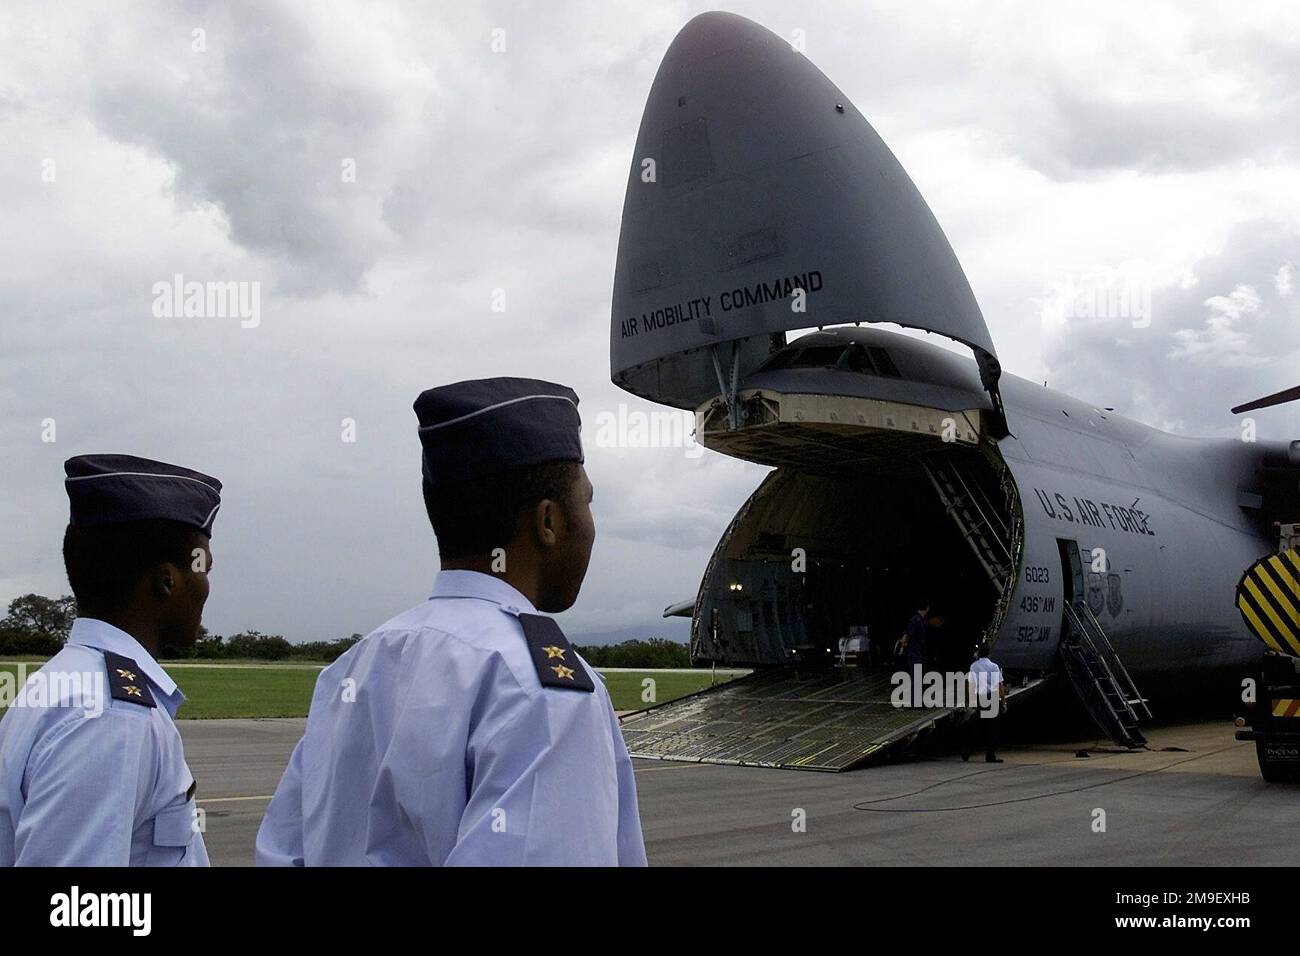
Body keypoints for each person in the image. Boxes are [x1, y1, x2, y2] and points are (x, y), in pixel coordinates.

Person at [256, 377, 647, 866]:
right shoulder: (542, 689)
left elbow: (283, 851)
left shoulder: (351, 669)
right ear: (548, 522)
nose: (590, 525)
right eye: (587, 503)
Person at [0, 454, 221, 866]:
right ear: (167, 581)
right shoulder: (110, 717)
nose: (207, 585)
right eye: (202, 567)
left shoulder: (63, 683)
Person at [963, 642, 1008, 763]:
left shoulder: (974, 666)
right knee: (992, 728)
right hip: (992, 698)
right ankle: (990, 755)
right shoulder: (994, 666)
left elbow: (969, 684)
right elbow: (999, 685)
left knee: (977, 726)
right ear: (989, 653)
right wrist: (1003, 701)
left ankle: (967, 751)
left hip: (981, 697)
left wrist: (969, 699)